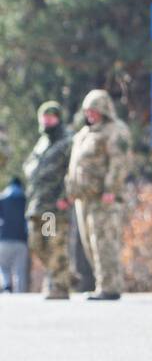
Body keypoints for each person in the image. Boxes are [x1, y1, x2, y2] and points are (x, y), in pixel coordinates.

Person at [66, 90, 131, 301]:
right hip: (84, 198)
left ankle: (110, 287)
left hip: (104, 198)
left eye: (94, 110)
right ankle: (101, 284)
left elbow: (119, 161)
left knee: (105, 242)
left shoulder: (115, 131)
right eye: (87, 111)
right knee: (89, 243)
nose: (90, 114)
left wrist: (111, 189)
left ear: (104, 109)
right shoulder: (84, 134)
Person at [23, 101, 76, 300]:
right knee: (36, 244)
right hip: (37, 204)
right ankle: (65, 275)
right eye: (45, 116)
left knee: (54, 244)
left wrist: (65, 196)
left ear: (59, 119)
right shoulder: (42, 143)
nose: (48, 120)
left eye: (52, 116)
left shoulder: (66, 142)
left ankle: (60, 285)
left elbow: (73, 172)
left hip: (53, 207)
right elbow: (30, 166)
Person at [0, 176, 28, 293]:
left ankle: (6, 287)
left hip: (3, 239)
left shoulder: (2, 199)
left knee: (3, 267)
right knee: (19, 270)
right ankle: (19, 293)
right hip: (21, 240)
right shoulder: (25, 199)